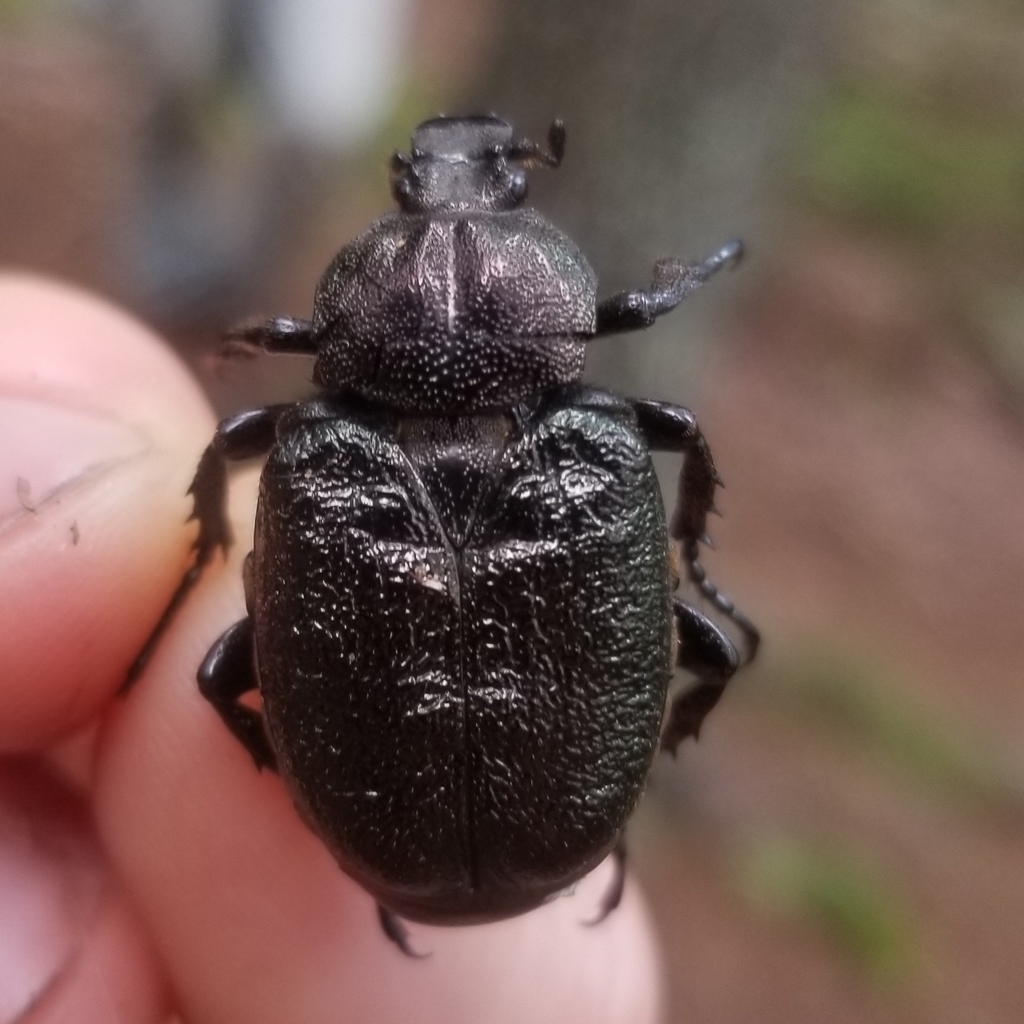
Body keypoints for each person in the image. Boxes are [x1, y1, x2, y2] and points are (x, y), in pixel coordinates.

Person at [0, 275, 662, 1024]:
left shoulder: (319, 441)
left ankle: (294, 768)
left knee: (220, 676)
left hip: (404, 822)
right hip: (546, 816)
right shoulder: (599, 438)